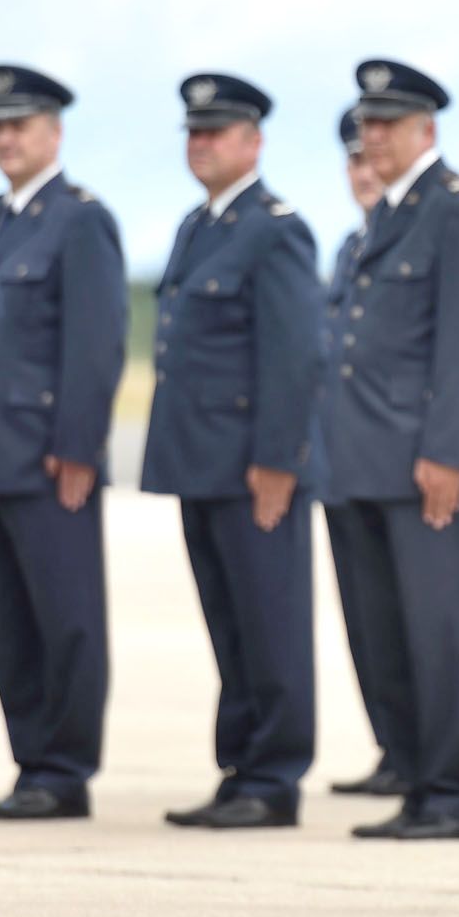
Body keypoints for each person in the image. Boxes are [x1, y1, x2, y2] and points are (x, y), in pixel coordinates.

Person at [321, 59, 459, 841]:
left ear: (426, 129)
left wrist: (450, 452)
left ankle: (454, 793)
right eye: (367, 124)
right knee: (386, 635)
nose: (375, 137)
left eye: (389, 124)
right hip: (366, 463)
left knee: (438, 635)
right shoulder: (389, 213)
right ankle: (414, 779)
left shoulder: (456, 209)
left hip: (426, 466)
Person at [143, 73, 323, 829]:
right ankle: (241, 765)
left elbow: (293, 354)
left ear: (253, 142)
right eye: (194, 132)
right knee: (230, 621)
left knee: (270, 620)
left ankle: (274, 778)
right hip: (202, 462)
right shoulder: (199, 225)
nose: (202, 144)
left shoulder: (276, 228)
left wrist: (278, 460)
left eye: (216, 133)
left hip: (255, 469)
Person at [0, 63, 125, 822]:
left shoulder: (80, 218)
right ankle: (33, 760)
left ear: (53, 132)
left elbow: (96, 345)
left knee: (66, 618)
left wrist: (81, 448)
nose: (7, 139)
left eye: (20, 125)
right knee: (9, 621)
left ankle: (64, 769)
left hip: (51, 457)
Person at [321, 109, 407, 799]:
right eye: (354, 163)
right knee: (369, 622)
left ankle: (422, 755)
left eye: (370, 158)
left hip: (406, 466)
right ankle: (392, 746)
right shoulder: (350, 250)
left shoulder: (427, 236)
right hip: (346, 464)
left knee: (414, 621)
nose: (365, 172)